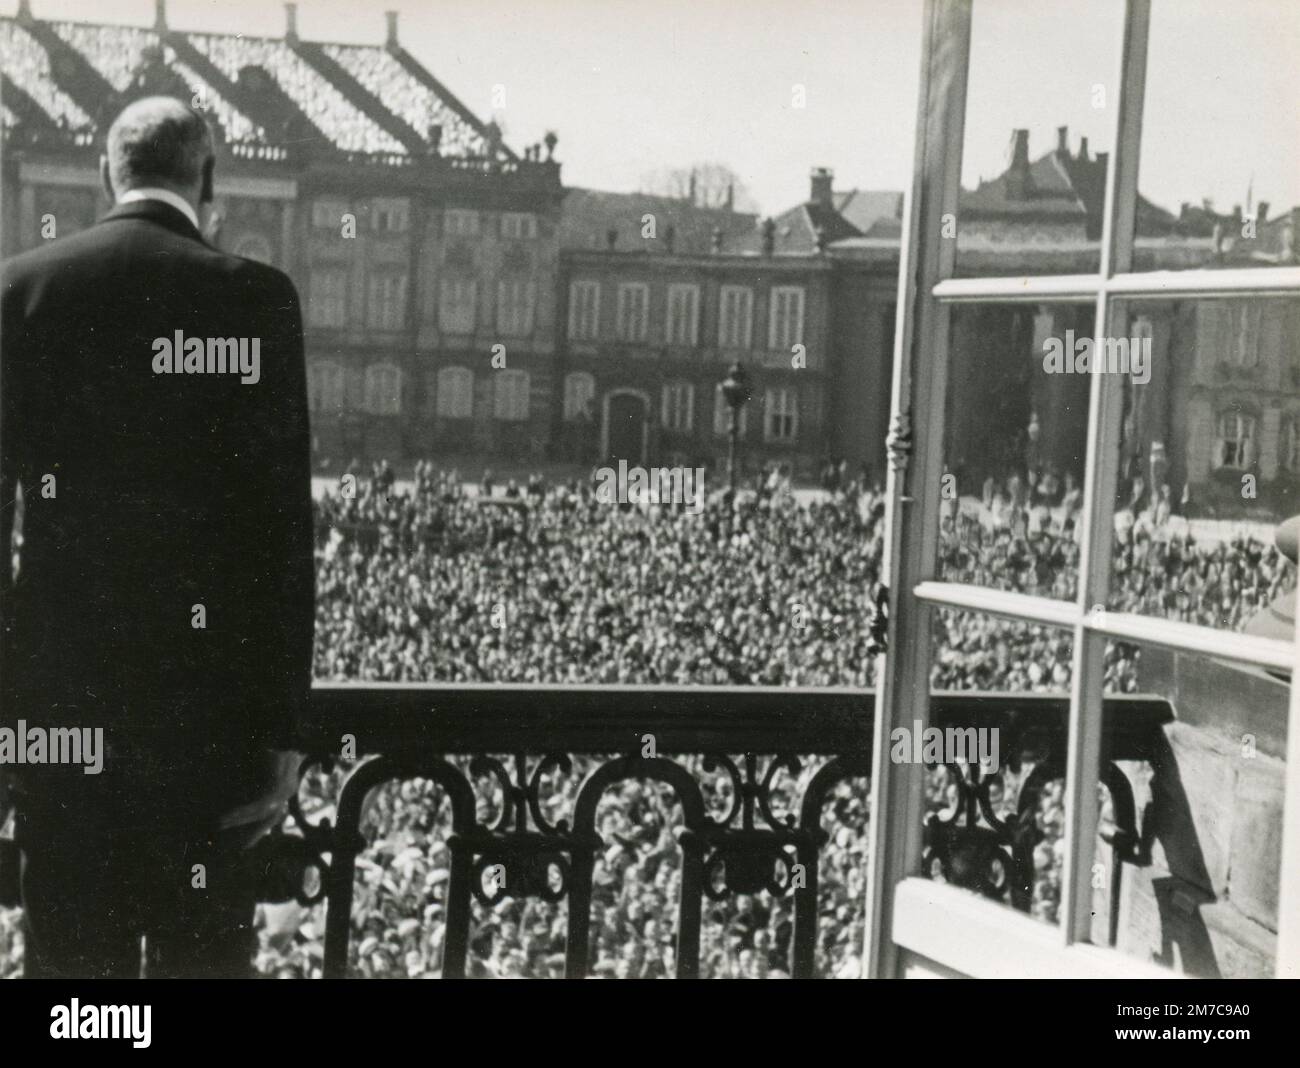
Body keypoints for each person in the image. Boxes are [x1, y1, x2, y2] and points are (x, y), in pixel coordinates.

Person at [0, 97, 314, 977]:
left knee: (75, 981)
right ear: (207, 181)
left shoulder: (22, 291)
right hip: (207, 728)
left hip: (59, 719)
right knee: (199, 964)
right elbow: (284, 534)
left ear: (107, 175)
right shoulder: (254, 299)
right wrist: (282, 730)